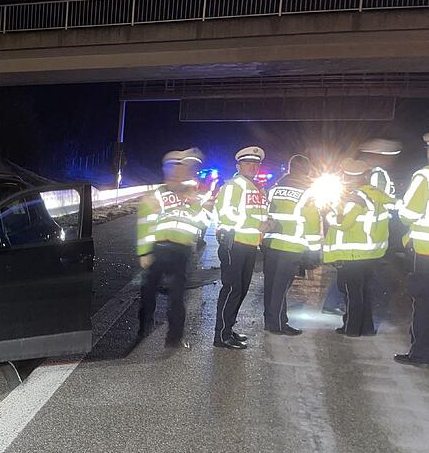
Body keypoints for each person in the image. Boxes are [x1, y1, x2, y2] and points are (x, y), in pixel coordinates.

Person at [137, 151, 206, 349]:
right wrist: (144, 252)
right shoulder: (156, 195)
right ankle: (144, 328)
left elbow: (202, 223)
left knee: (177, 297)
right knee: (148, 292)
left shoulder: (192, 195)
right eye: (172, 168)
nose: (176, 173)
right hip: (158, 249)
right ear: (165, 171)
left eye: (180, 169)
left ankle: (174, 338)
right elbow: (145, 224)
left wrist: (195, 204)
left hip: (181, 251)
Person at [323, 159, 391, 337]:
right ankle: (367, 328)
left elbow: (343, 223)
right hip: (370, 253)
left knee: (352, 292)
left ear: (348, 177)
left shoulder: (355, 198)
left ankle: (351, 328)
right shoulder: (377, 195)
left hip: (353, 254)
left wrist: (330, 214)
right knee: (364, 291)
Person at [213, 146, 271, 349]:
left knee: (242, 290)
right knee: (232, 289)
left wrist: (267, 223)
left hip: (250, 244)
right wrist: (258, 224)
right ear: (238, 166)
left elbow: (260, 214)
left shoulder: (257, 188)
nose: (252, 167)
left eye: (256, 164)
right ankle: (221, 336)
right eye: (248, 163)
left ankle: (228, 329)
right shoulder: (234, 186)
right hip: (234, 243)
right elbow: (227, 214)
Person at [263, 155, 322, 335]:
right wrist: (314, 251)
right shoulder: (307, 192)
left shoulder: (274, 189)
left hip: (271, 243)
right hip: (292, 246)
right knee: (281, 287)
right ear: (307, 170)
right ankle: (278, 325)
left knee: (271, 284)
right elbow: (312, 223)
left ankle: (270, 321)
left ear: (290, 169)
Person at [395, 133, 429, 366]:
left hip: (425, 252)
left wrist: (400, 207)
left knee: (424, 303)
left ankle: (420, 353)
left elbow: (408, 215)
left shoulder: (424, 176)